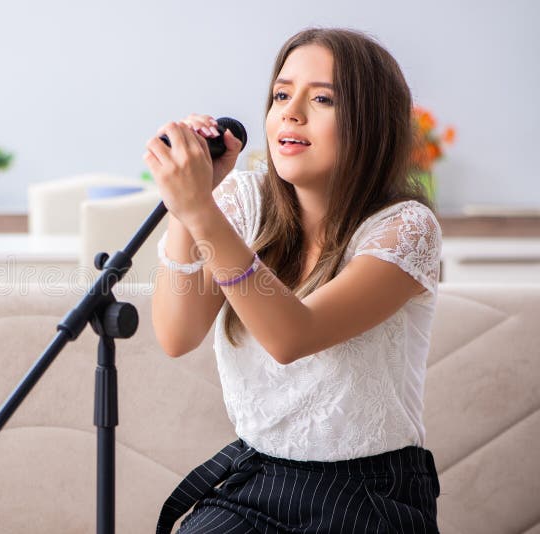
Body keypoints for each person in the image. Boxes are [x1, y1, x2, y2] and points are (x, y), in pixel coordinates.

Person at [146, 28, 442, 534]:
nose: (292, 111)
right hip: (258, 479)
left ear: (369, 122)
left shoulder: (406, 228)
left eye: (322, 98)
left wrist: (201, 209)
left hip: (370, 496)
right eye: (282, 94)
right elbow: (177, 335)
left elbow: (292, 336)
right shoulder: (244, 201)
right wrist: (186, 208)